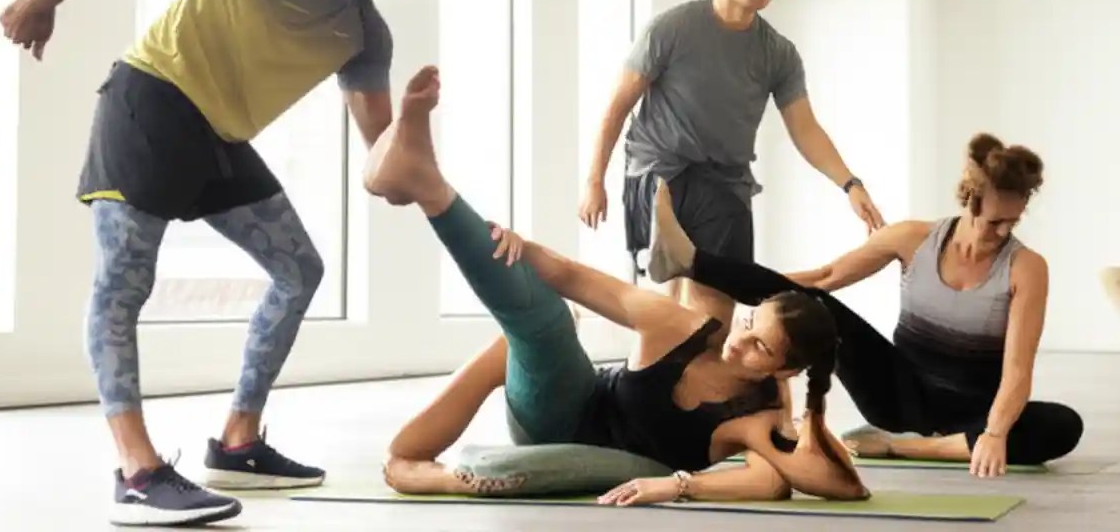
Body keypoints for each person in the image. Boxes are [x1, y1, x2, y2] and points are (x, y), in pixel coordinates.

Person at [0, 0, 452, 526]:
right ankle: (138, 473)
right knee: (124, 281)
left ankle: (239, 441)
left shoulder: (364, 32)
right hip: (151, 100)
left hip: (218, 136)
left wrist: (413, 124)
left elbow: (381, 162)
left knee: (300, 271)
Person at [365, 66, 870, 505]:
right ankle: (429, 188)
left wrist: (679, 485)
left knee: (536, 331)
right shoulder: (681, 327)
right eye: (749, 321)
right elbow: (571, 276)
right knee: (544, 323)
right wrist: (522, 247)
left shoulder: (757, 414)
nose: (740, 340)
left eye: (760, 346)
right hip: (566, 401)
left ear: (785, 368)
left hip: (574, 443)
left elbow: (830, 486)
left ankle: (430, 469)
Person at [648, 132, 1085, 479]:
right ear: (970, 199)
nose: (1002, 232)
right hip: (898, 395)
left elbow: (1017, 371)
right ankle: (688, 260)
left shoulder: (1026, 268)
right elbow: (824, 278)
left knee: (1063, 426)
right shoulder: (912, 238)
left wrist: (993, 432)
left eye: (1013, 221)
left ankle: (903, 446)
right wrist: (739, 288)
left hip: (972, 408)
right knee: (820, 304)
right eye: (994, 221)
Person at [578, 0, 885, 337]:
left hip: (726, 180)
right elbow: (617, 106)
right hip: (659, 165)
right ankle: (666, 252)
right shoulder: (672, 29)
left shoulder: (778, 53)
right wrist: (594, 181)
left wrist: (850, 184)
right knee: (672, 300)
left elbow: (805, 127)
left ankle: (692, 320)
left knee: (714, 315)